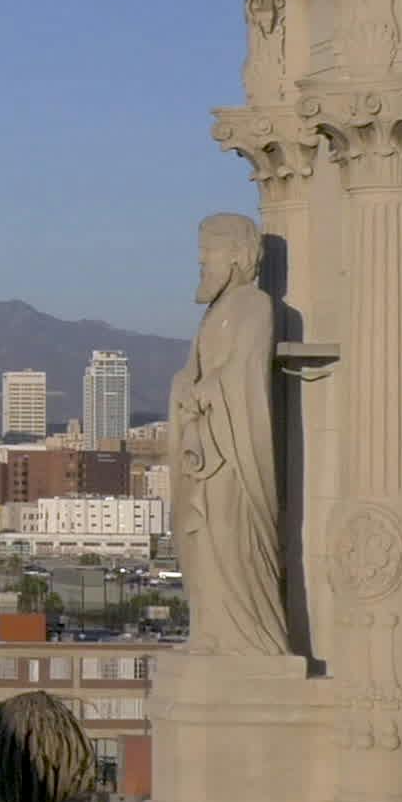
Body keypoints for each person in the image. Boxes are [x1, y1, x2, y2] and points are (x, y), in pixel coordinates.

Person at [170, 212, 294, 658]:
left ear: (239, 256)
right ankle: (214, 630)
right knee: (206, 542)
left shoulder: (253, 307)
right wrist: (186, 384)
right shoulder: (216, 313)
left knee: (232, 539)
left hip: (233, 455)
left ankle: (249, 639)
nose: (201, 261)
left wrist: (206, 388)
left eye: (209, 251)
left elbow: (245, 370)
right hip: (208, 448)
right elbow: (200, 370)